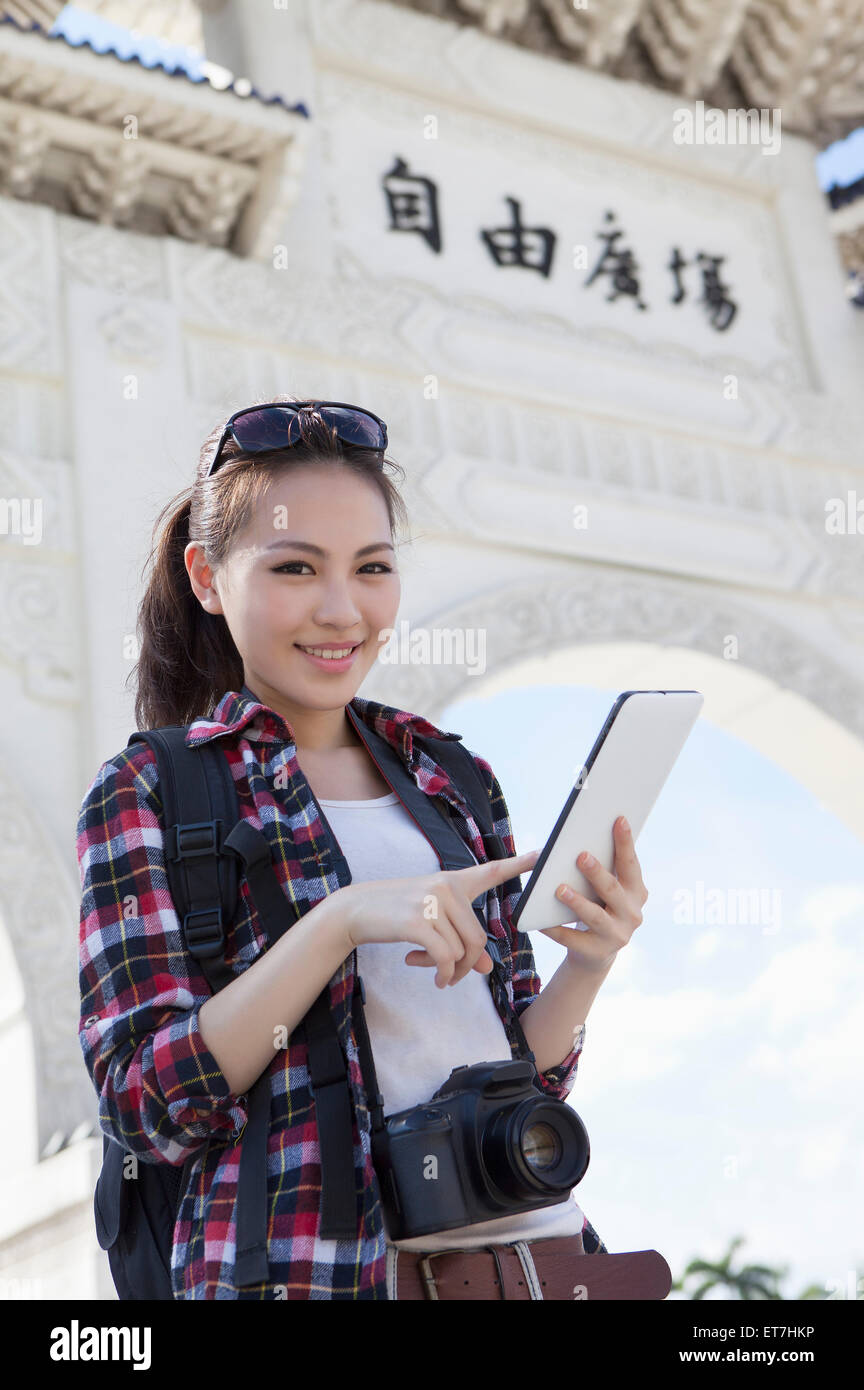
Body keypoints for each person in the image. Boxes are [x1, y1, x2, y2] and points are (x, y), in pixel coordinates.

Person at [76, 396, 649, 1300]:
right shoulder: (156, 787)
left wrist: (588, 963)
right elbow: (149, 1104)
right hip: (315, 1275)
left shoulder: (452, 779)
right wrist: (340, 922)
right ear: (208, 576)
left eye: (372, 568)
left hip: (538, 1263)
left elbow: (523, 1074)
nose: (342, 610)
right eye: (296, 567)